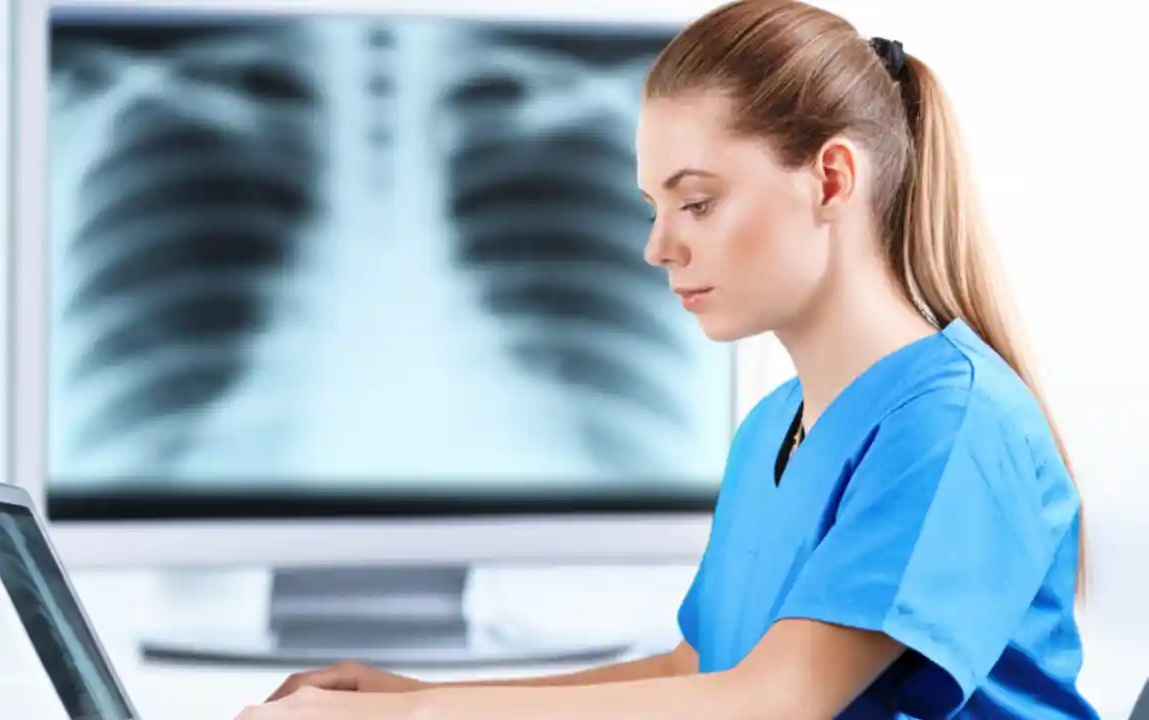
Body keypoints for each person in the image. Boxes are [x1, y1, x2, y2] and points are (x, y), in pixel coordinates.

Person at [235, 0, 1097, 717]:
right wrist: (419, 690)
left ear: (832, 180)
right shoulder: (774, 429)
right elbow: (698, 674)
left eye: (697, 202)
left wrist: (401, 719)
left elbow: (774, 701)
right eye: (654, 207)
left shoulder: (955, 423)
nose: (657, 248)